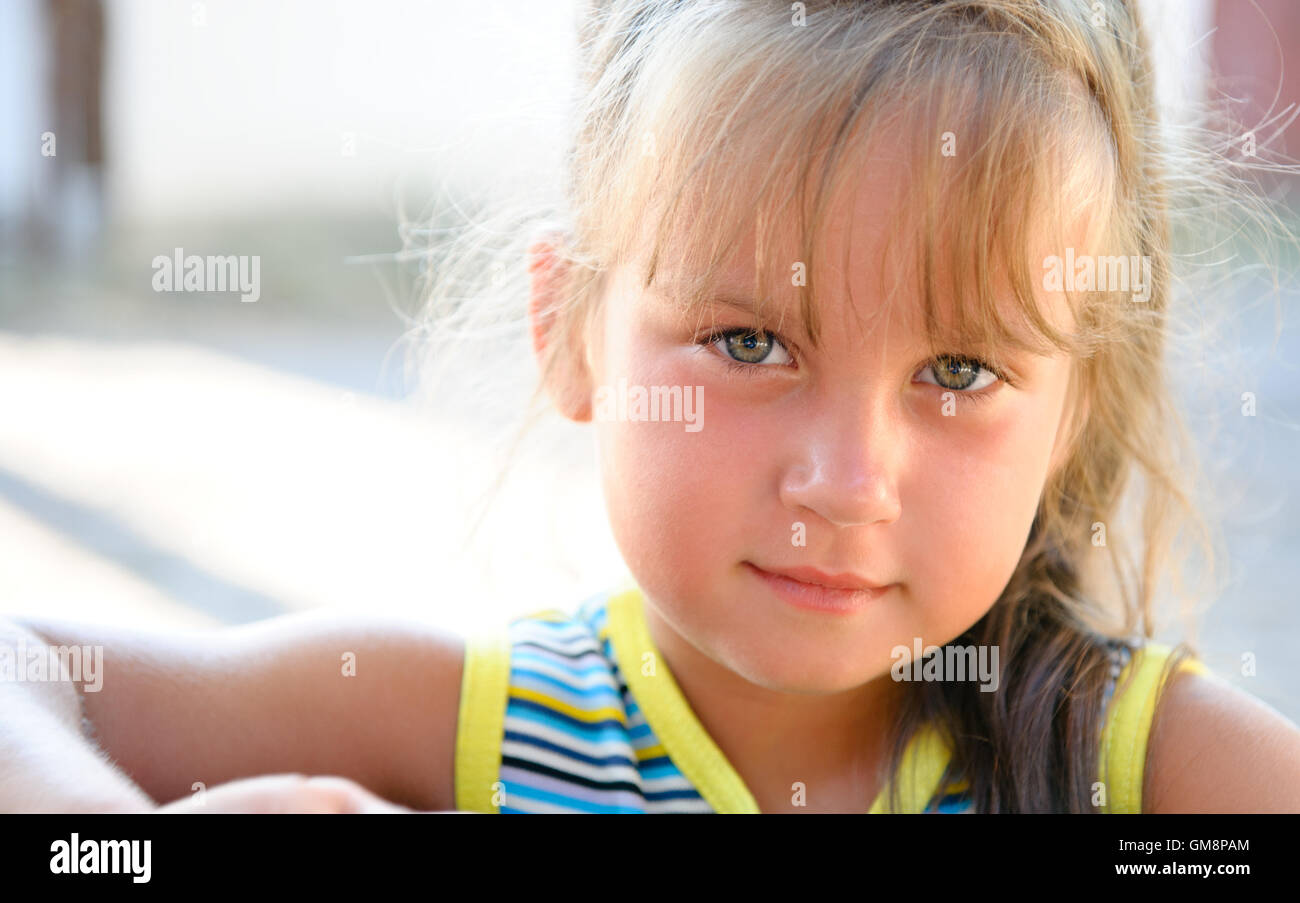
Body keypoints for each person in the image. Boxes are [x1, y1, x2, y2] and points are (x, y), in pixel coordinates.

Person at [3, 0, 1299, 814]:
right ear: (570, 332)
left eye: (958, 374)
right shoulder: (480, 725)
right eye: (747, 341)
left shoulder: (1150, 772)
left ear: (1075, 406)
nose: (847, 481)